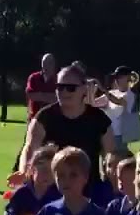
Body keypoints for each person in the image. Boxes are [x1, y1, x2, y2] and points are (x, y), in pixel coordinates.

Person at [15, 65, 115, 196]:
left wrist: (111, 187)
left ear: (84, 89)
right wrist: (24, 174)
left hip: (89, 192)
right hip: (51, 192)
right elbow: (30, 148)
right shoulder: (44, 117)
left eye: (70, 88)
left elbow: (111, 157)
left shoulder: (99, 119)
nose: (64, 92)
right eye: (60, 87)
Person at [101, 67, 140, 150]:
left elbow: (117, 100)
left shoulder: (130, 95)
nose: (116, 80)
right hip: (107, 134)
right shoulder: (112, 92)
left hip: (119, 136)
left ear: (128, 78)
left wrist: (102, 88)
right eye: (115, 78)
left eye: (119, 77)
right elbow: (94, 103)